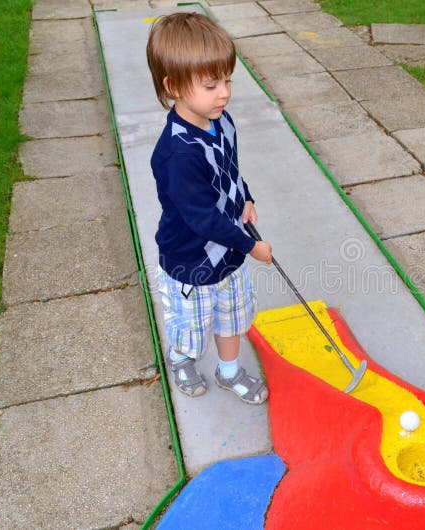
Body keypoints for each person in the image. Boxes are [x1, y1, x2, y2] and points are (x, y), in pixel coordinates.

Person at [146, 13, 272, 404]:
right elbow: (201, 218)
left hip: (227, 252)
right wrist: (251, 246)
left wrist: (245, 198)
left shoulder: (221, 121)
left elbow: (230, 171)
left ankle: (229, 372)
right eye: (211, 84)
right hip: (190, 258)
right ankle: (181, 357)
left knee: (231, 315)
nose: (224, 94)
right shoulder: (177, 155)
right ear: (173, 87)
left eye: (227, 81)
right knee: (192, 323)